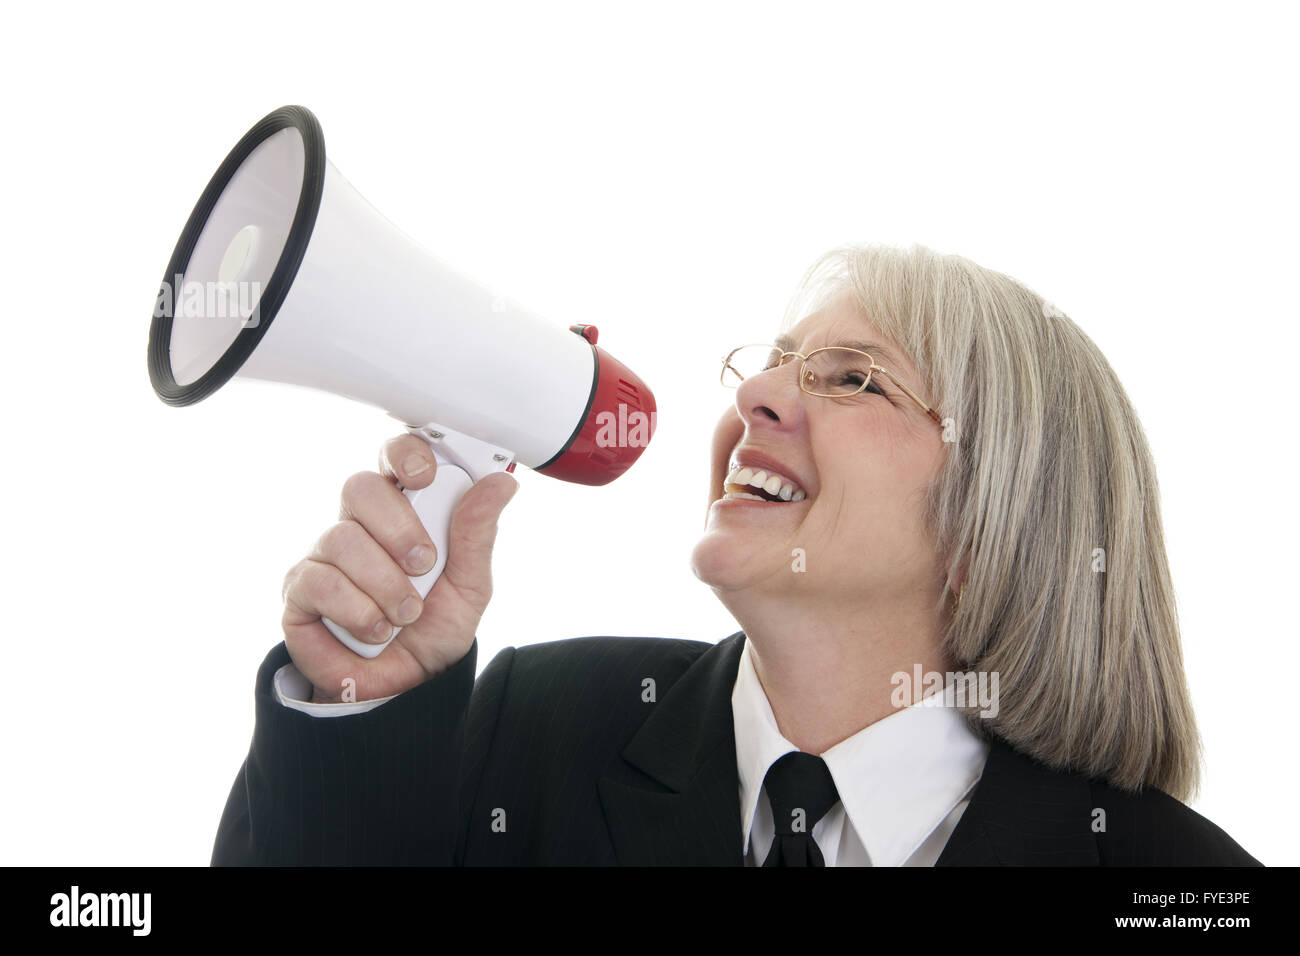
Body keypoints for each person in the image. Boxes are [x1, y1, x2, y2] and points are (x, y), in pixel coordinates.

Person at [213, 244, 1260, 866]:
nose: (754, 395)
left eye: (850, 379)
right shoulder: (523, 728)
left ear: (997, 517)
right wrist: (360, 712)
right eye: (769, 366)